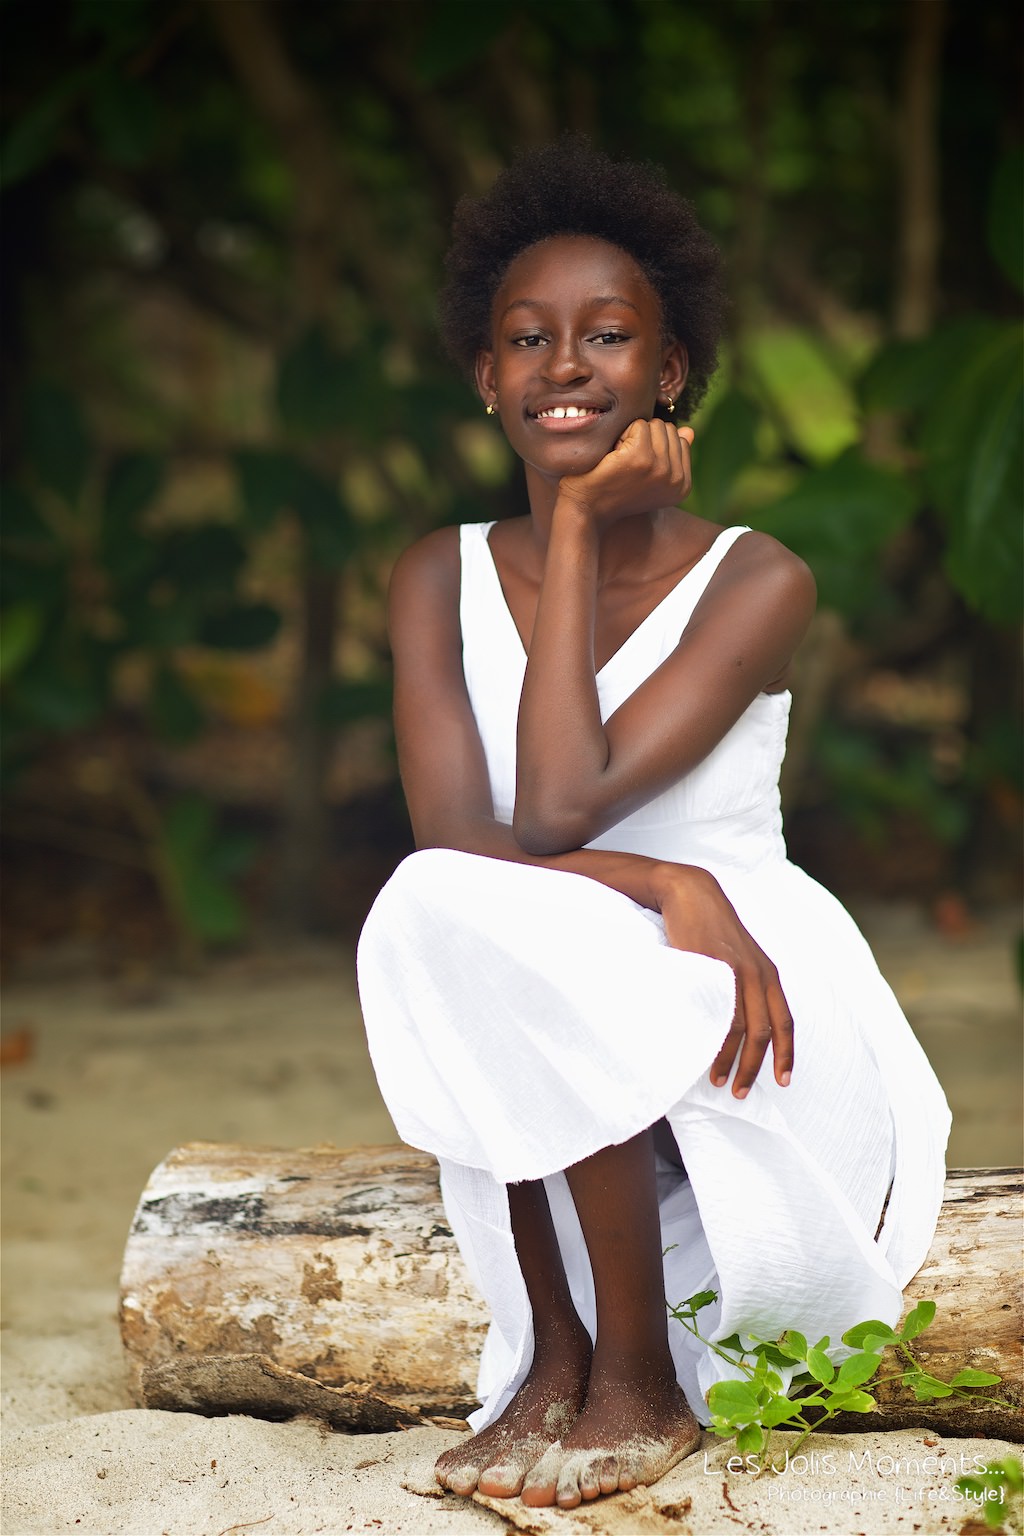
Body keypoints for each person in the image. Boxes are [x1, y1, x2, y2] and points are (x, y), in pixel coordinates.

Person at [356, 137, 950, 1512]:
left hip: (747, 996)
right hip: (615, 939)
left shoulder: (758, 580)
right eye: (528, 339)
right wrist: (659, 876)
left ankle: (639, 1373)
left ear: (670, 372)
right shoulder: (430, 578)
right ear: (486, 377)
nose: (565, 364)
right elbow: (461, 841)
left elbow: (555, 803)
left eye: (608, 335)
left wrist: (571, 531)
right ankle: (557, 1356)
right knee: (428, 902)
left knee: (502, 918)